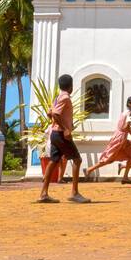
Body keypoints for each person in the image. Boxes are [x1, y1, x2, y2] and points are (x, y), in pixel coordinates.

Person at [38, 74, 87, 203]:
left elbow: (50, 113)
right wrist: (65, 128)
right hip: (60, 134)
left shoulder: (58, 97)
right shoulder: (65, 98)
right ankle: (74, 193)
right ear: (71, 86)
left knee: (53, 160)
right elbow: (55, 113)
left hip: (54, 133)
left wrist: (56, 123)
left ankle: (44, 193)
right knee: (77, 159)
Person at [85, 102, 131, 183]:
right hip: (120, 138)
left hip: (121, 137)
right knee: (109, 158)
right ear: (130, 104)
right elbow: (125, 127)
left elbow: (124, 127)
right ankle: (89, 170)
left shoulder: (125, 112)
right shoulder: (130, 114)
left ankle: (125, 177)